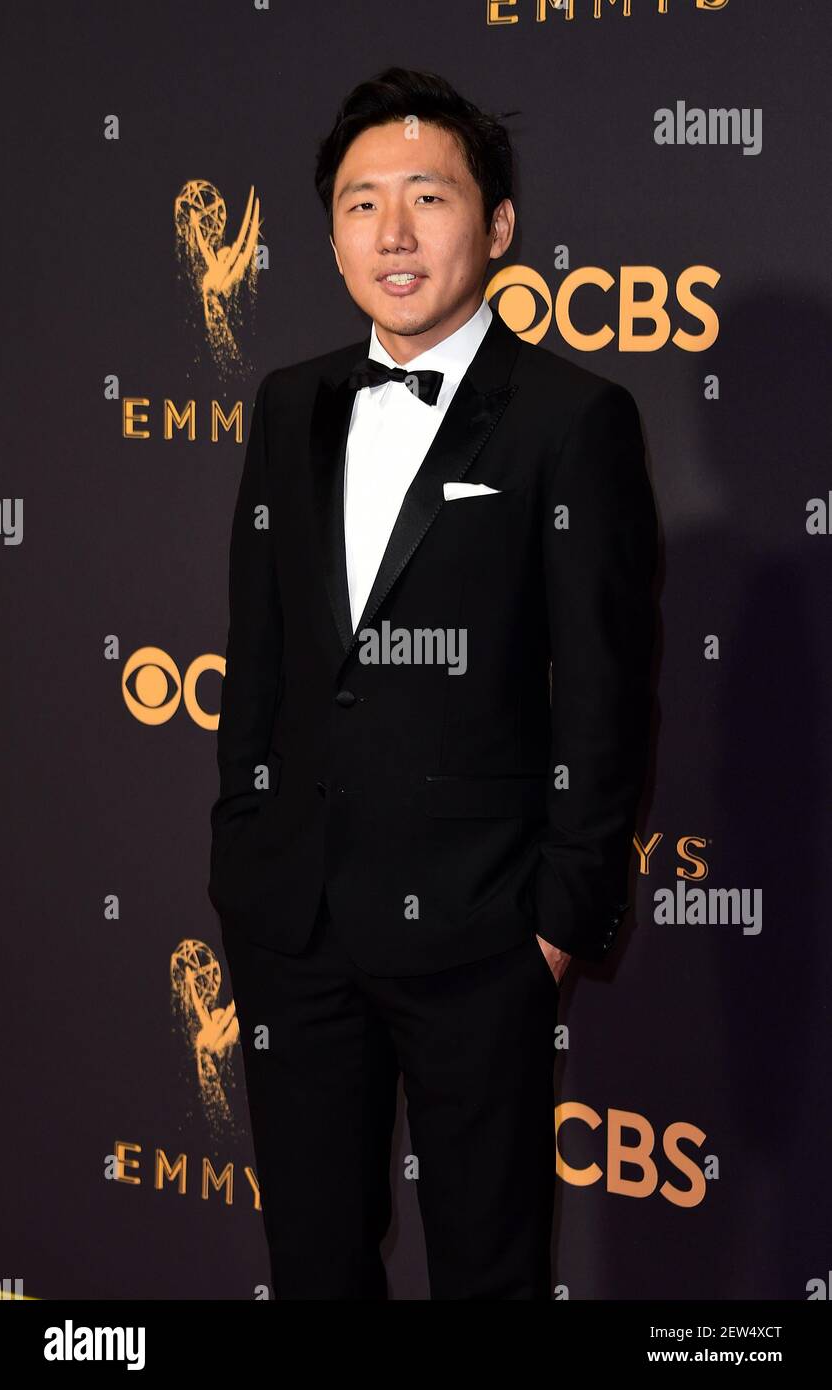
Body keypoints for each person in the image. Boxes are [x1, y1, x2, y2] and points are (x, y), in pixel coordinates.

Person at [208, 66, 658, 1300]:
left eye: (427, 197)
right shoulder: (287, 403)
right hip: (291, 926)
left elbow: (607, 693)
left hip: (483, 934)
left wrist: (558, 928)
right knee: (310, 1263)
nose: (392, 235)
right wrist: (241, 851)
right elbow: (259, 659)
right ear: (332, 232)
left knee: (490, 1269)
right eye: (361, 204)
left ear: (496, 227)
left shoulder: (573, 419)